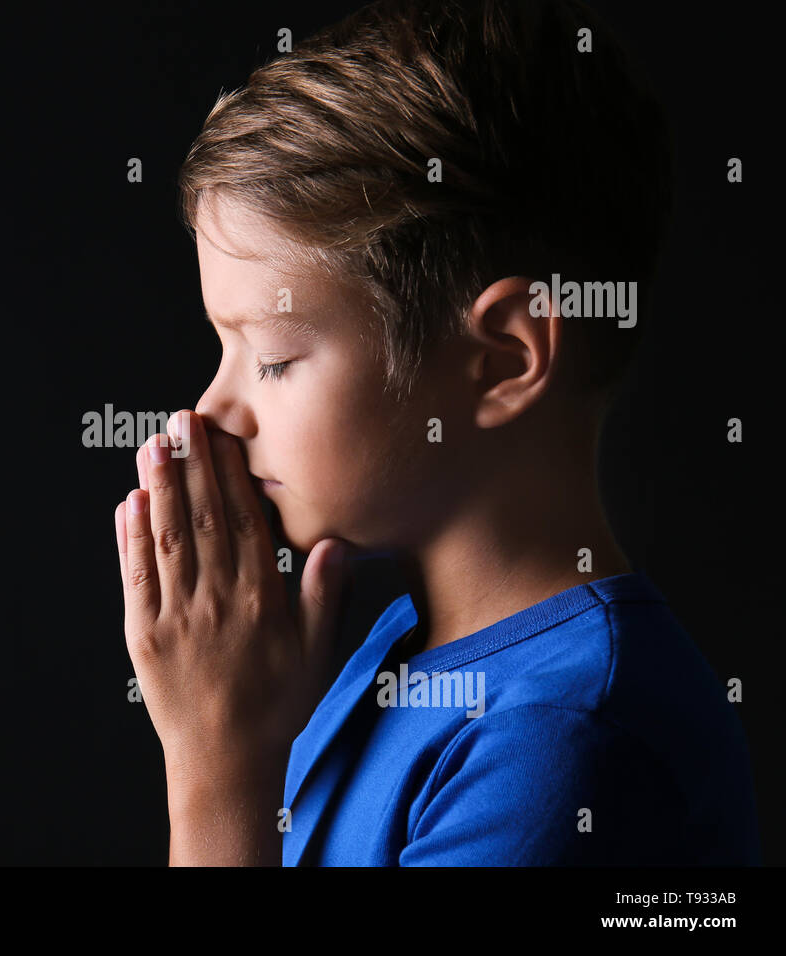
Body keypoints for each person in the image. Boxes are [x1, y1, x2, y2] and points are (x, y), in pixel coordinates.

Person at [112, 0, 760, 865]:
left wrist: (218, 773)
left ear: (503, 359)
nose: (209, 413)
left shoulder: (562, 747)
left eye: (270, 358)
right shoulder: (407, 648)